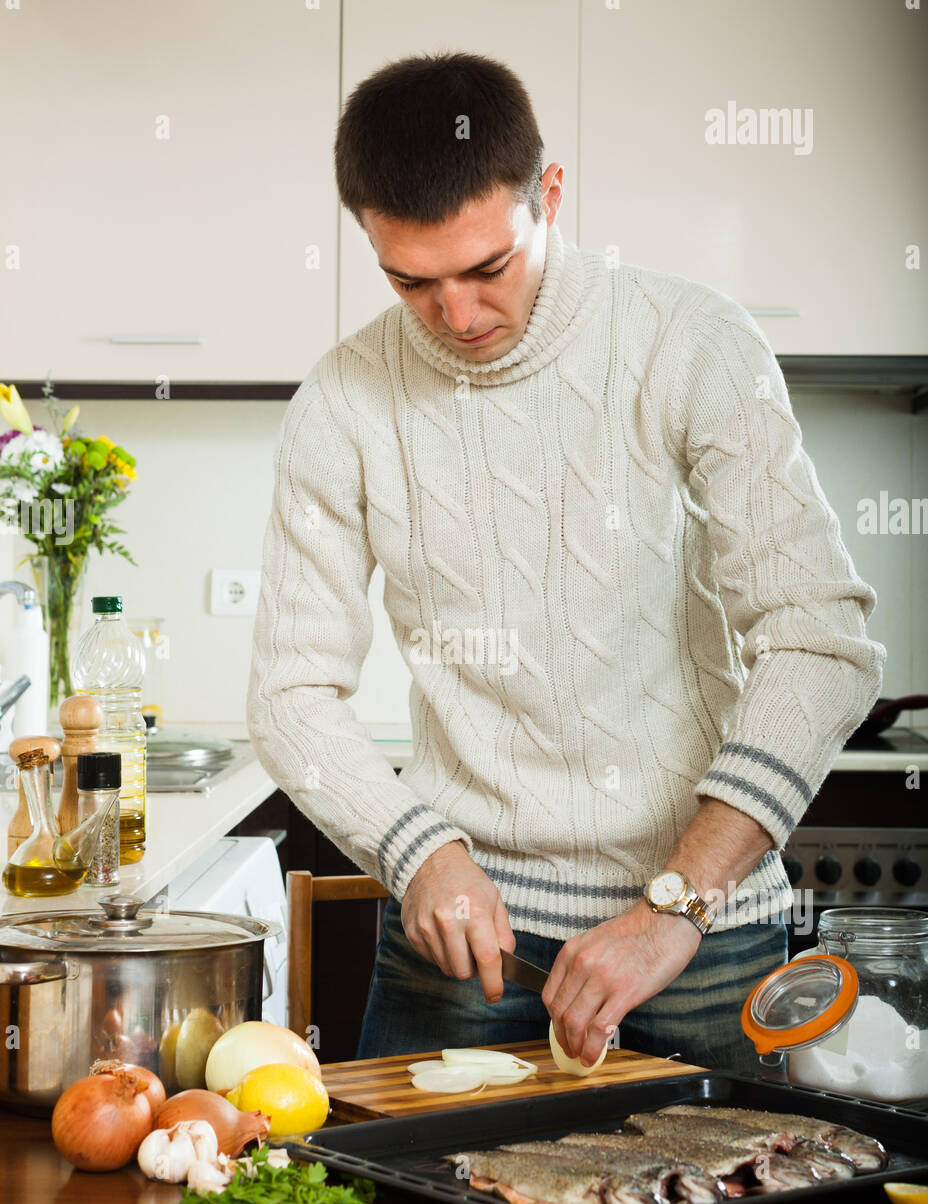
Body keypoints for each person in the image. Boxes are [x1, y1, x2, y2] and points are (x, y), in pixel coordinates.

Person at [247, 52, 885, 1073]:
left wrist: (674, 901)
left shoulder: (692, 343)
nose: (456, 318)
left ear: (548, 193)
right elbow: (288, 691)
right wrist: (421, 850)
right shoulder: (341, 400)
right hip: (467, 945)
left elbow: (820, 644)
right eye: (412, 281)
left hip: (706, 935)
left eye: (486, 268)